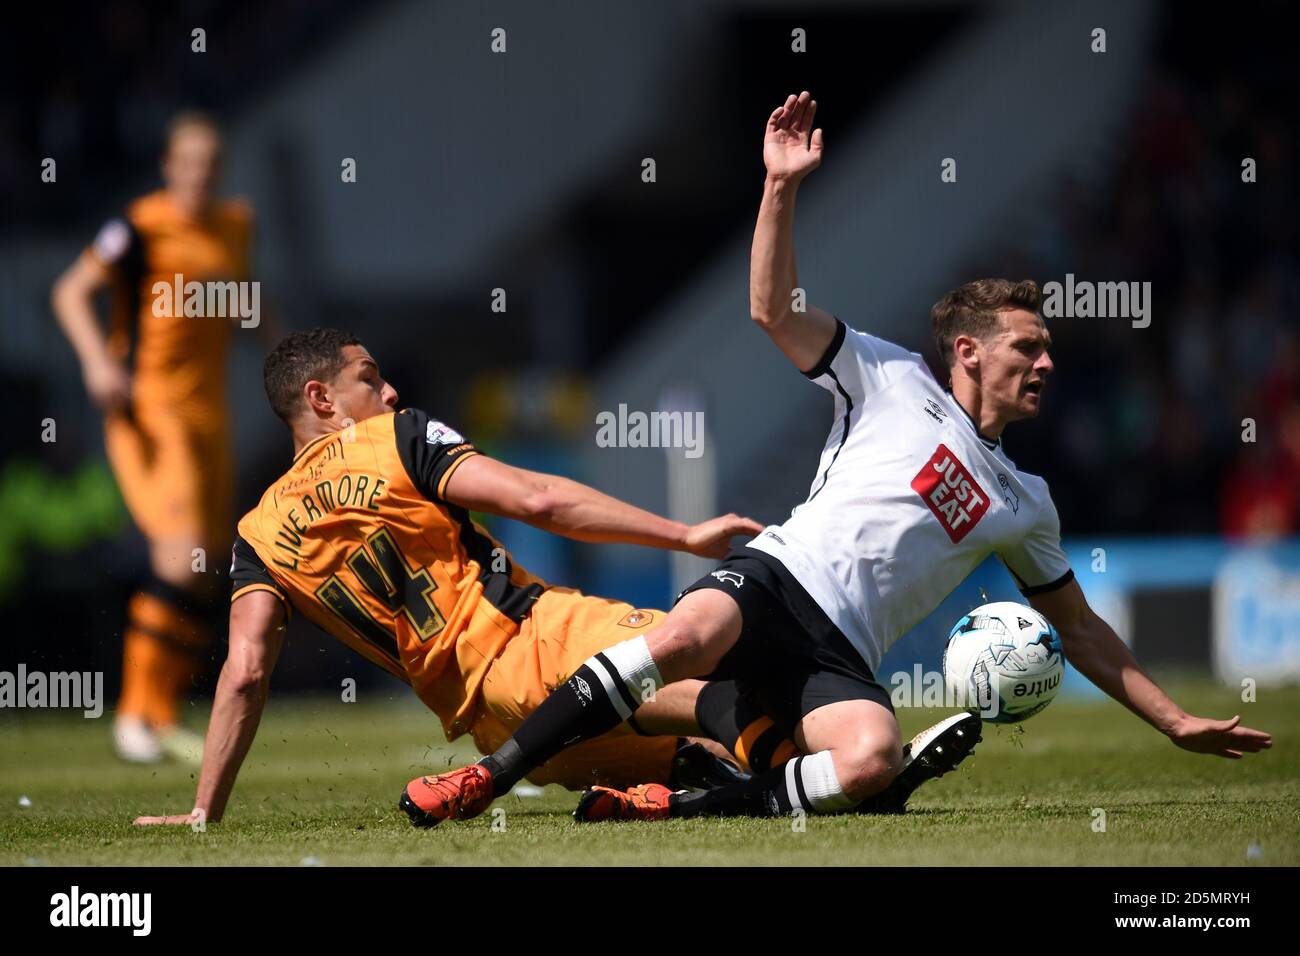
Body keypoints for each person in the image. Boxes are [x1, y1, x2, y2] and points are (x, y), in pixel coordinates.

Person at [406, 91, 1272, 827]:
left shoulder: (1027, 500)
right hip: (780, 577)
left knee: (868, 763)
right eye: (1027, 348)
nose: (1046, 363)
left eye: (1047, 350)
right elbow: (771, 308)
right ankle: (489, 778)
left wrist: (1174, 721)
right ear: (967, 351)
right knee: (681, 637)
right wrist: (780, 187)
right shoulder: (888, 374)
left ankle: (681, 807)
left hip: (842, 650)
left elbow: (1080, 630)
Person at [134, 328, 773, 827]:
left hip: (509, 728)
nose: (388, 394)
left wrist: (204, 811)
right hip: (544, 642)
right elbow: (538, 500)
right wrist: (683, 534)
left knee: (732, 753)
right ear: (320, 398)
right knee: (758, 688)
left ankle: (681, 794)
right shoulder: (395, 437)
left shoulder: (256, 533)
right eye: (369, 378)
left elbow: (244, 674)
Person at [52, 111, 252, 764]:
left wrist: (296, 356)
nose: (200, 173)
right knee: (179, 554)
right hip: (152, 410)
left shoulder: (234, 226)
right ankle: (133, 714)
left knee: (205, 568)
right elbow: (70, 292)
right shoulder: (138, 226)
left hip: (210, 417)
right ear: (169, 166)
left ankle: (159, 714)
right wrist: (95, 361)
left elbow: (247, 303)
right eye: (188, 161)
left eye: (211, 162)